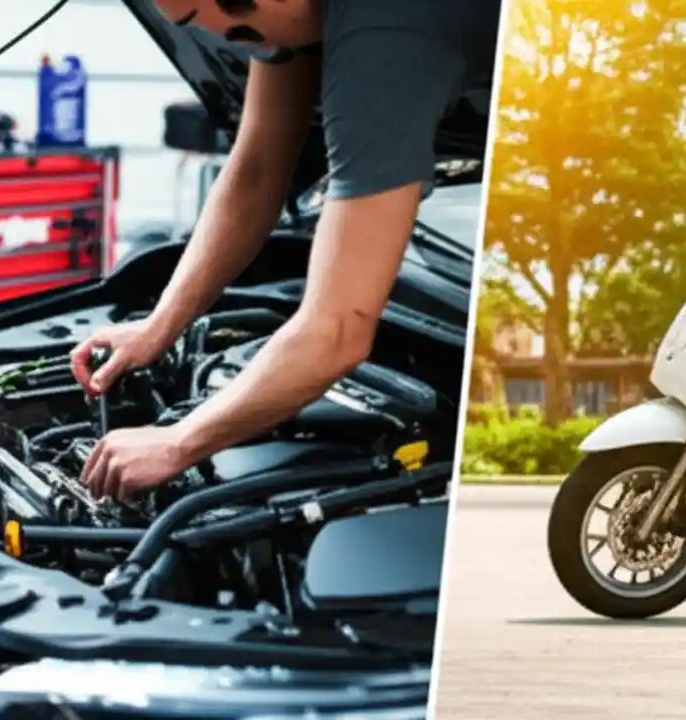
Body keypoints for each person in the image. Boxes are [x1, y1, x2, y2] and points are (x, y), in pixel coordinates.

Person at [71, 0, 498, 502]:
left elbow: (336, 331)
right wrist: (161, 324)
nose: (231, 42)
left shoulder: (385, 39)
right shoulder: (293, 18)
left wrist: (177, 443)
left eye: (232, 27)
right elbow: (256, 170)